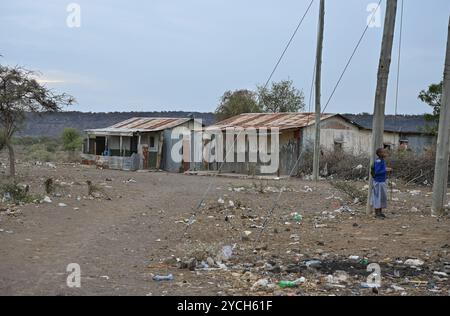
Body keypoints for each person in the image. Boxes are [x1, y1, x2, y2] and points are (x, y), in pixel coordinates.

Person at [371, 148, 392, 219]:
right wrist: (386, 170)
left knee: (382, 197)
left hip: (382, 181)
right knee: (378, 197)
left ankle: (380, 212)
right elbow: (377, 172)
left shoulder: (382, 160)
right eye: (383, 152)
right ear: (379, 154)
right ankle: (377, 214)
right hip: (378, 182)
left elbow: (381, 169)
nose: (385, 153)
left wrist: (386, 169)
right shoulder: (378, 161)